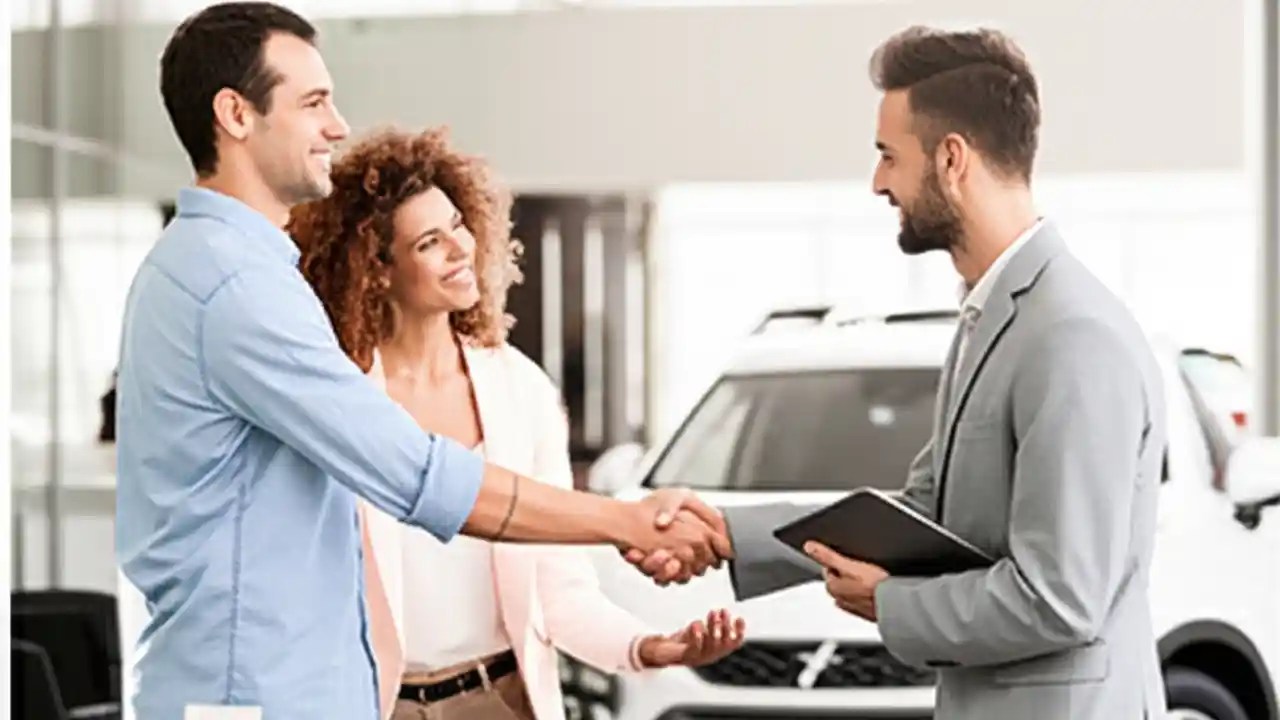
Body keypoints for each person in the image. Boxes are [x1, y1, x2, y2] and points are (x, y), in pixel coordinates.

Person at [114, 4, 728, 719]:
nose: (337, 127)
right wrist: (625, 521)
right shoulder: (236, 288)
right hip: (254, 700)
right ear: (236, 114)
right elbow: (415, 473)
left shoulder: (229, 271)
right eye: (313, 103)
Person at [626, 26, 1168, 720]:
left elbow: (1060, 598)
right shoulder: (994, 317)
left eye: (888, 157)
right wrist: (732, 532)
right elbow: (923, 515)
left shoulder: (1072, 335)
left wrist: (890, 603)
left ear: (951, 160)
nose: (878, 182)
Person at [289, 126, 747, 720]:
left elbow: (559, 586)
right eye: (430, 241)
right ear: (375, 269)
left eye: (458, 225)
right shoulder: (339, 400)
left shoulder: (518, 387)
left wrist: (647, 647)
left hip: (501, 702)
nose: (461, 249)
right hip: (371, 706)